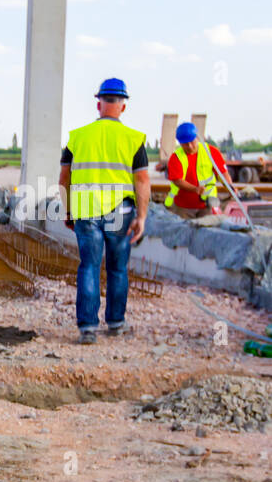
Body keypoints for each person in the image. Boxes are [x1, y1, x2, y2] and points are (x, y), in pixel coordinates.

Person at [58, 77, 152, 345]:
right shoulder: (133, 139)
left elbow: (64, 180)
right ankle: (115, 323)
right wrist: (142, 217)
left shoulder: (77, 138)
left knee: (89, 266)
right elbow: (142, 181)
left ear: (99, 104)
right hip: (120, 211)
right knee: (117, 269)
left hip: (85, 209)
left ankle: (87, 328)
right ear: (123, 106)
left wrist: (68, 212)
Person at [165, 122, 226, 219]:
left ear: (197, 138)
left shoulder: (211, 152)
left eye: (192, 142)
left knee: (208, 232)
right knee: (184, 232)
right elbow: (177, 180)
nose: (189, 146)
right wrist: (195, 189)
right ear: (180, 143)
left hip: (207, 205)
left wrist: (229, 186)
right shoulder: (176, 157)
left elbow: (222, 173)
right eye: (185, 144)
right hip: (183, 207)